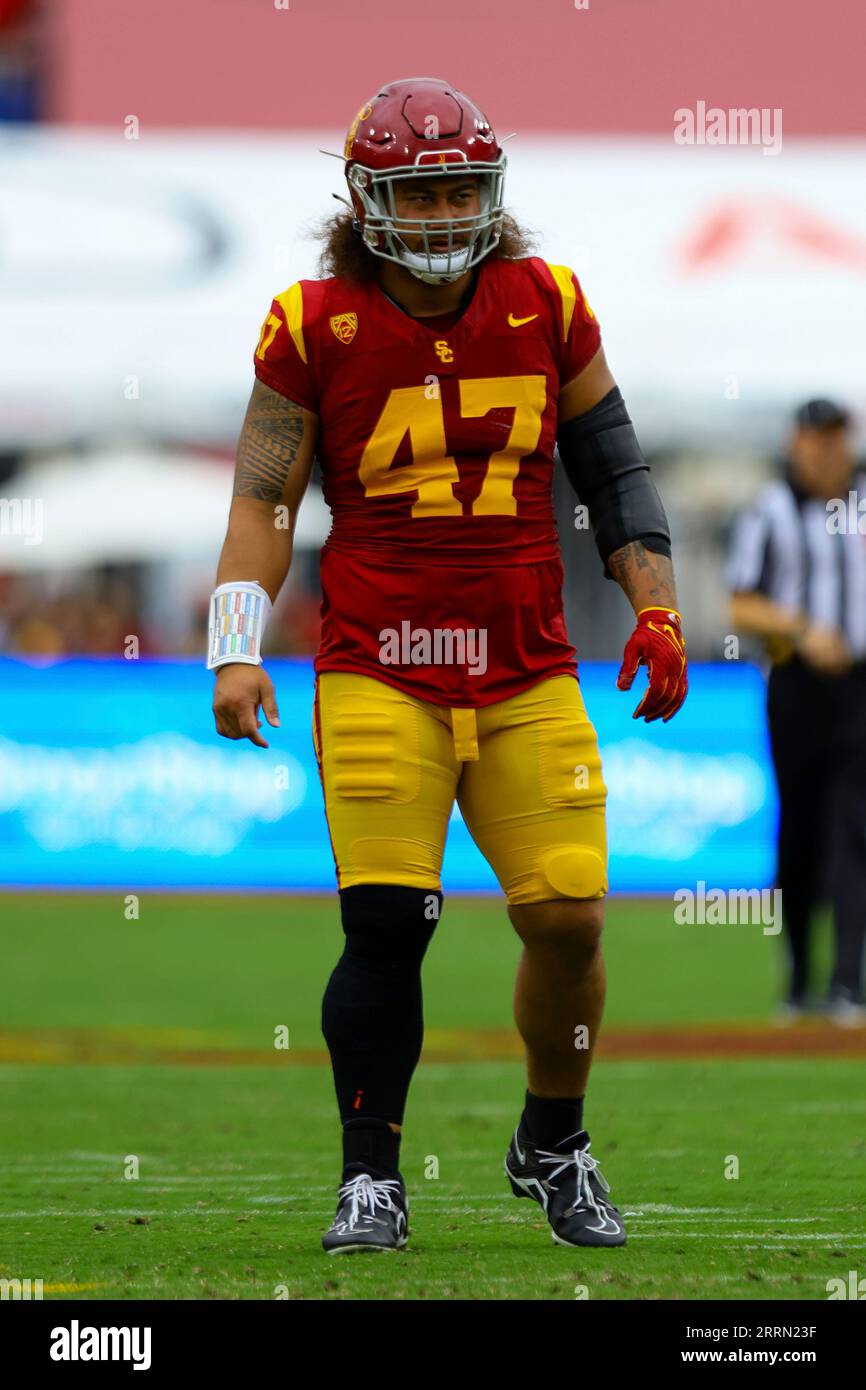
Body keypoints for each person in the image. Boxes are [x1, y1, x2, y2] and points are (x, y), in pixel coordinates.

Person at [209, 78, 687, 1253]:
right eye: (417, 190)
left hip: (524, 666)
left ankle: (551, 1141)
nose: (438, 212)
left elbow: (612, 472)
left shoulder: (547, 301)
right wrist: (234, 644)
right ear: (366, 200)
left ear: (494, 188)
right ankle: (371, 1175)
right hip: (381, 660)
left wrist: (657, 608)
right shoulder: (309, 323)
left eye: (459, 185)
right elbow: (263, 496)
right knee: (387, 923)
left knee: (569, 918)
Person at [728, 399, 866, 1025]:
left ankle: (846, 982)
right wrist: (804, 629)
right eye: (815, 440)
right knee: (801, 830)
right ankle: (799, 979)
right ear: (796, 442)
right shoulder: (769, 510)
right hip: (797, 686)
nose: (825, 452)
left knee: (854, 827)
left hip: (860, 687)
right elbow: (740, 606)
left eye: (835, 440)